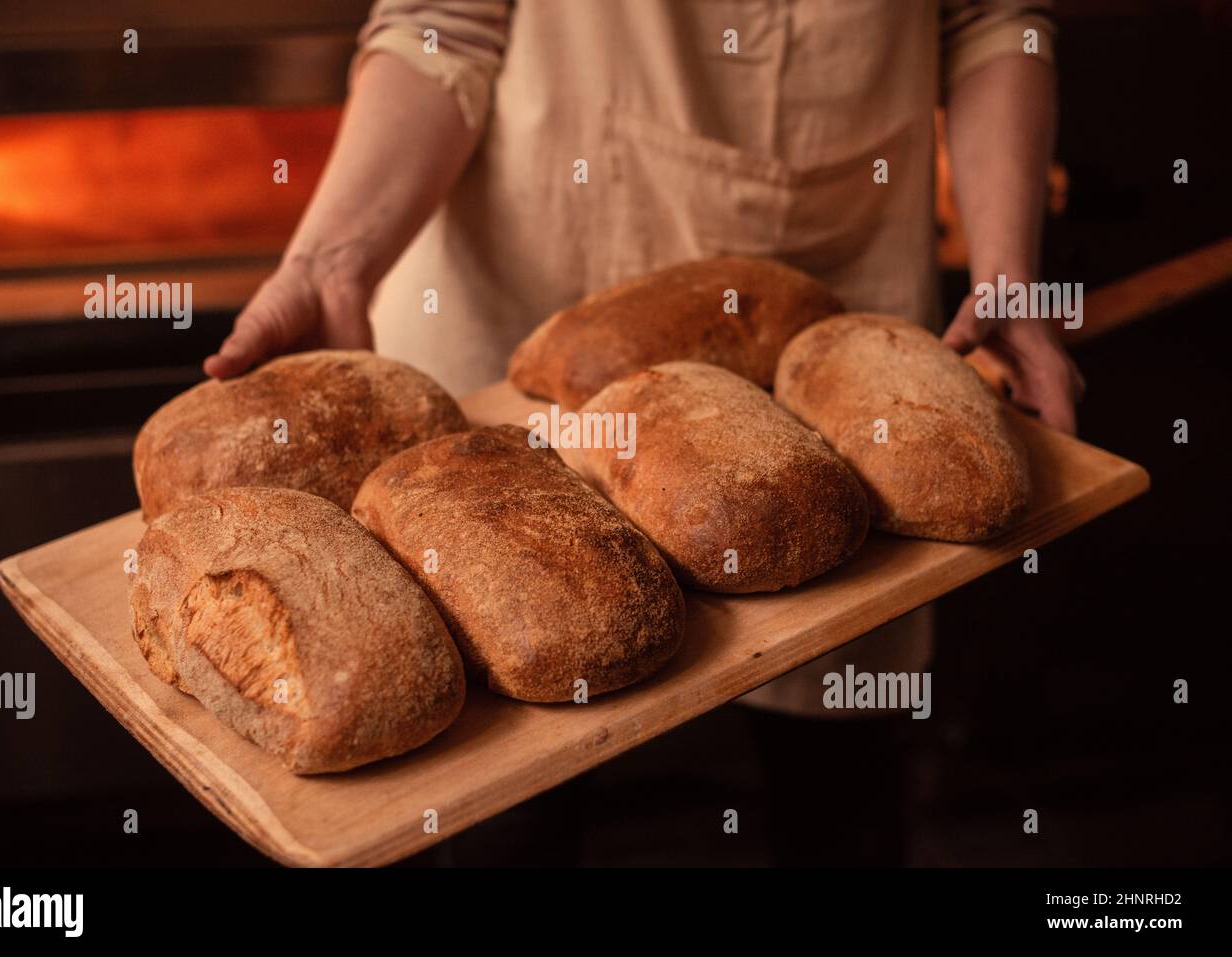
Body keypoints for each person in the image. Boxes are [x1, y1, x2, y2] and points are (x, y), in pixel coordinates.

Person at [205, 0, 1084, 862]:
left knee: (836, 791)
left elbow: (993, 17)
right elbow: (445, 23)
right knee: (501, 799)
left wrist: (1009, 273)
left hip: (812, 346)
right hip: (507, 345)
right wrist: (328, 261)